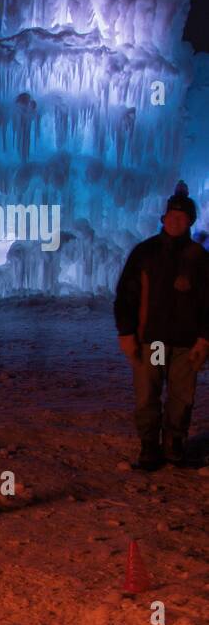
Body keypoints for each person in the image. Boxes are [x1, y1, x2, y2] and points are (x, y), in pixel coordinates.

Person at [113, 182, 209, 470]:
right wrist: (126, 332)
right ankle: (149, 447)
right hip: (152, 340)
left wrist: (205, 339)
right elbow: (126, 296)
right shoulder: (145, 253)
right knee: (148, 394)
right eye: (171, 216)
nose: (175, 221)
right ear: (163, 219)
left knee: (181, 397)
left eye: (181, 217)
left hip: (185, 343)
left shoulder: (200, 259)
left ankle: (174, 444)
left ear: (190, 221)